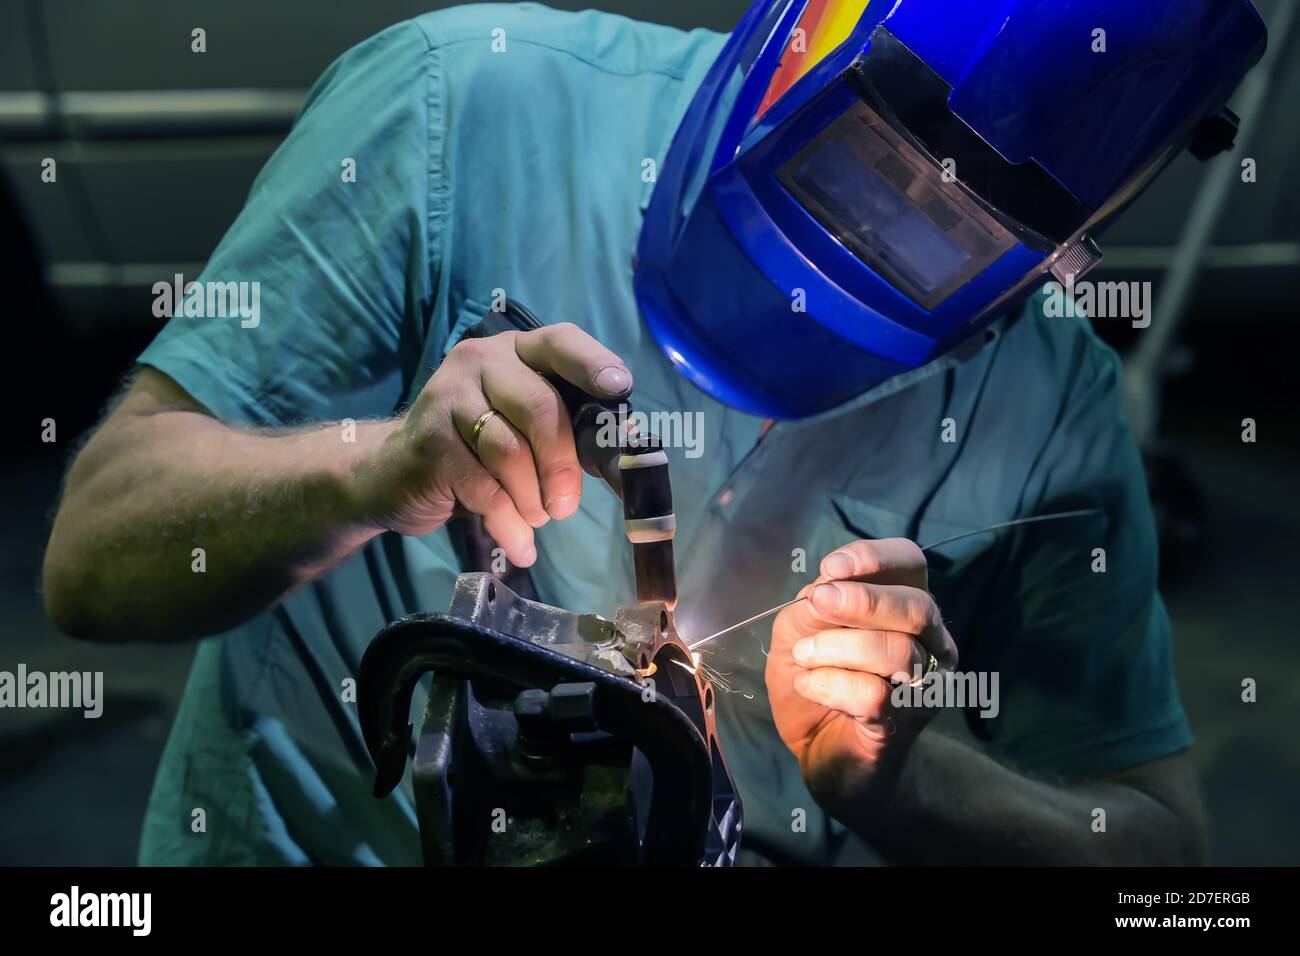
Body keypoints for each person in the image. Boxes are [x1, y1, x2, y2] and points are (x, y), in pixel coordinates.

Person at [43, 0, 1265, 865]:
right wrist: (377, 469)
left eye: (955, 241)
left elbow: (1155, 854)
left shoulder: (1048, 393)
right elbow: (95, 558)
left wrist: (901, 778)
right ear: (805, 36)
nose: (875, 239)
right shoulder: (459, 107)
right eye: (857, 169)